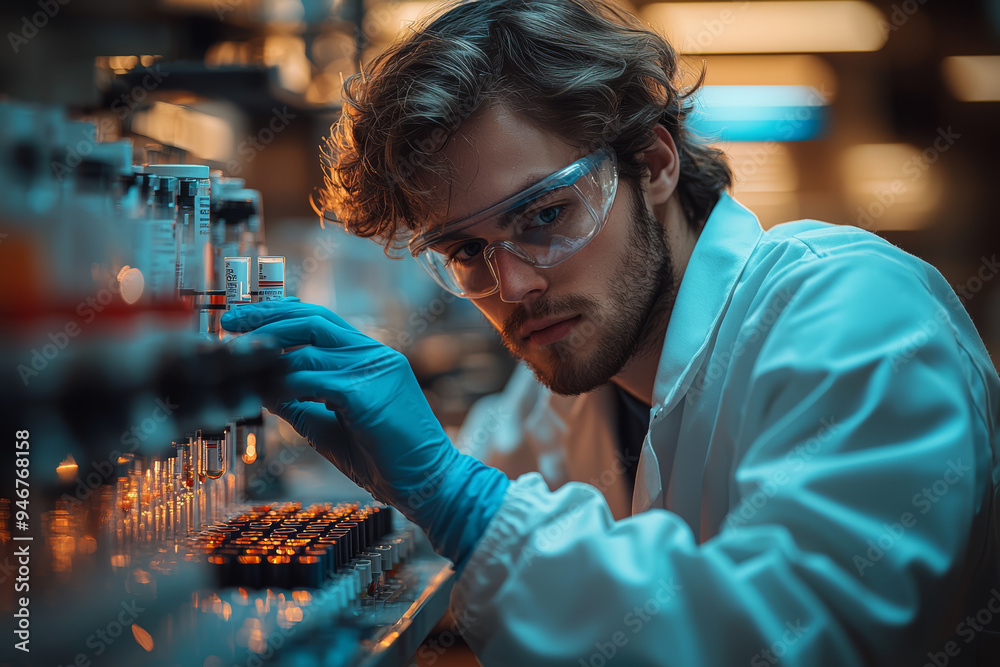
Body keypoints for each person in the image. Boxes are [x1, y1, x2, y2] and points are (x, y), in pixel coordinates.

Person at [222, 0, 1000, 664]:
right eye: (466, 251)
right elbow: (438, 542)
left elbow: (800, 631)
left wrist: (458, 498)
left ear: (653, 163)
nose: (515, 284)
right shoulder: (559, 395)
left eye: (545, 215)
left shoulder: (857, 314)